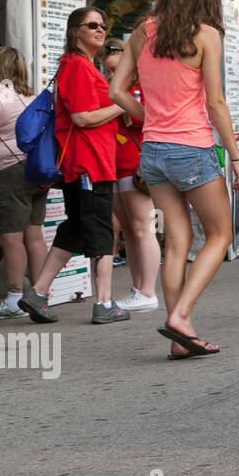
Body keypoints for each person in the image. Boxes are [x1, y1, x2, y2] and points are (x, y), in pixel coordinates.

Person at [109, 0, 239, 356]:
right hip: (192, 148)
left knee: (177, 243)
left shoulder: (142, 32)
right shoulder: (206, 35)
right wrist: (236, 158)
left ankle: (180, 341)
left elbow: (116, 91)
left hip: (152, 151)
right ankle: (181, 316)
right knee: (220, 235)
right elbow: (217, 103)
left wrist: (149, 116)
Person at [16, 6, 130, 326]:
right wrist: (118, 105)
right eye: (91, 25)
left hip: (85, 164)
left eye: (103, 25)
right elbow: (82, 118)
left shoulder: (79, 66)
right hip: (89, 164)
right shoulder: (78, 67)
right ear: (74, 31)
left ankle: (37, 293)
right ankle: (104, 304)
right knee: (100, 232)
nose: (99, 29)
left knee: (76, 229)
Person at [0, 47, 46, 321]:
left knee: (11, 238)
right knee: (34, 235)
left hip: (6, 171)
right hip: (35, 171)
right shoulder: (30, 95)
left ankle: (15, 299)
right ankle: (39, 296)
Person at [101, 37, 160, 314]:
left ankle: (147, 290)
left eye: (115, 69)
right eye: (107, 70)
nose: (111, 75)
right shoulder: (118, 90)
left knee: (142, 228)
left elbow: (154, 119)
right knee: (130, 230)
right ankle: (139, 289)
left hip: (137, 166)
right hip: (115, 165)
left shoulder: (144, 87)